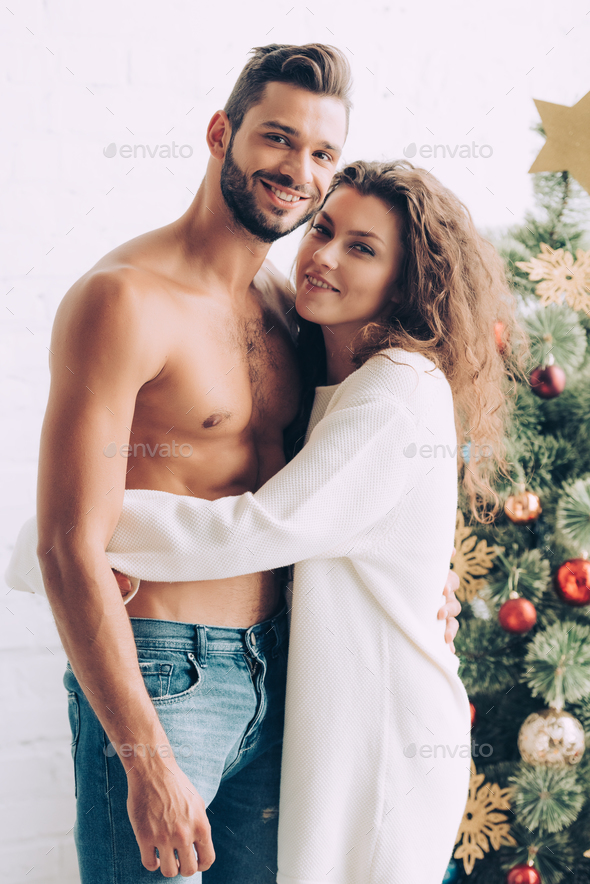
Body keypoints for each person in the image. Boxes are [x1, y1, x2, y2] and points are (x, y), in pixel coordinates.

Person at [5, 45, 461, 884]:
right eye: (277, 139)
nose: (298, 170)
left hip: (286, 670)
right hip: (164, 673)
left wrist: (430, 577)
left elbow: (348, 482)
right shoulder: (125, 300)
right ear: (223, 133)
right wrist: (144, 757)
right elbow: (70, 544)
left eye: (322, 154)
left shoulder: (293, 311)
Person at [99, 159, 527, 883]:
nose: (324, 256)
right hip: (328, 715)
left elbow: (260, 528)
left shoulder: (397, 388)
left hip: (384, 733)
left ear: (406, 279)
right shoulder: (327, 376)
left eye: (362, 247)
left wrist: (73, 536)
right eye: (323, 229)